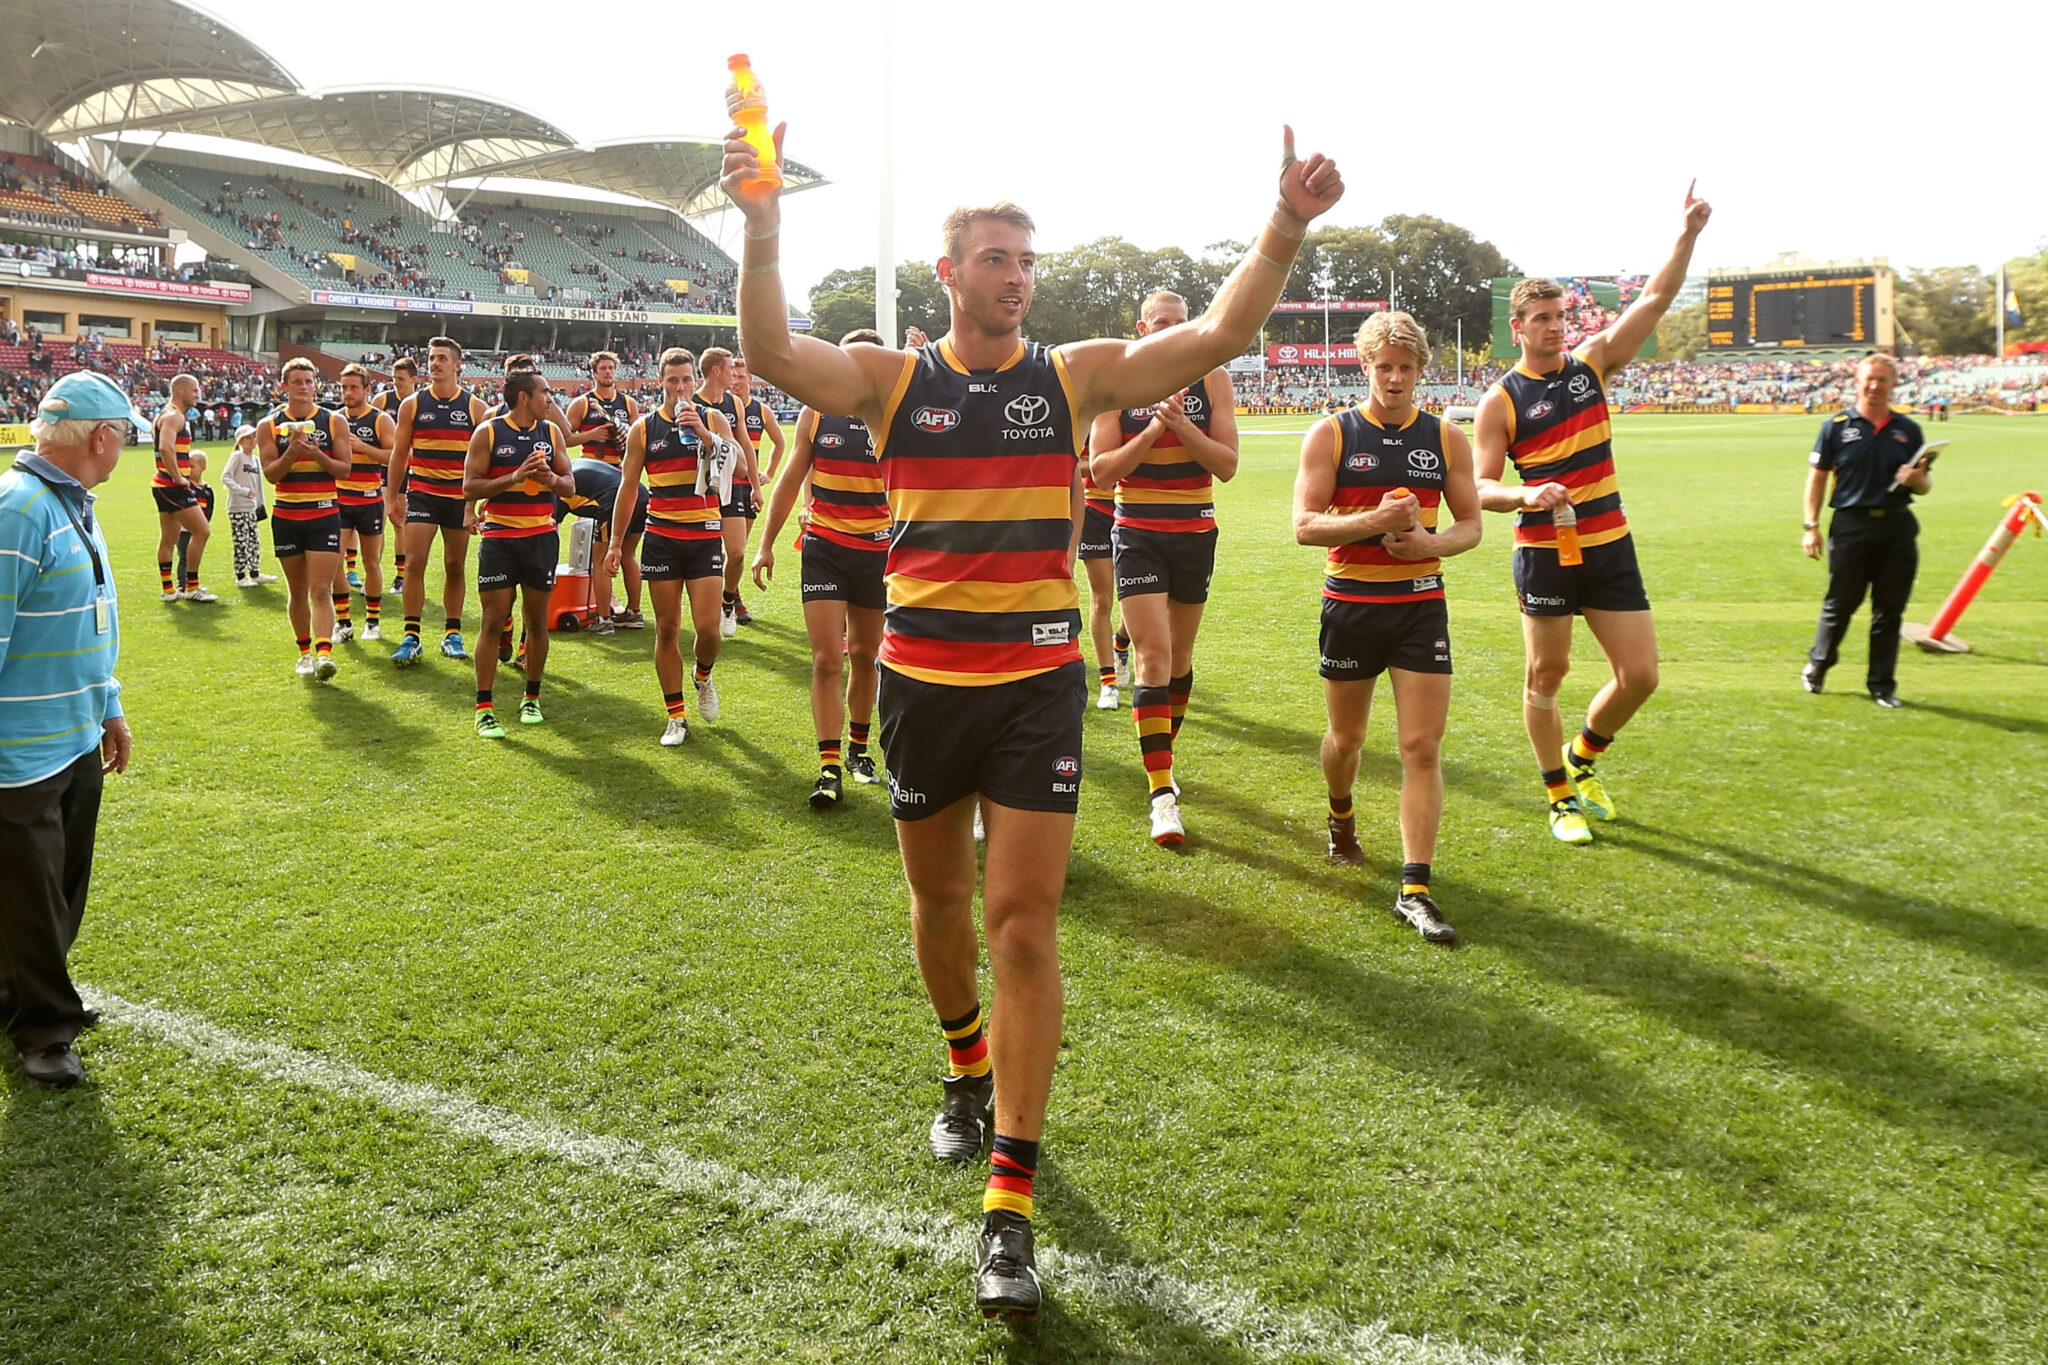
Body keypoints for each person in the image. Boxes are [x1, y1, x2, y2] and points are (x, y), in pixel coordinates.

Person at [723, 120, 1343, 1318]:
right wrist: (761, 227)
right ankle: (962, 1059)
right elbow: (766, 351)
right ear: (949, 273)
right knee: (938, 906)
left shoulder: (1073, 377)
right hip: (919, 684)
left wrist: (1283, 224)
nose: (1016, 277)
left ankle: (1006, 1209)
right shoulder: (891, 383)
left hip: (1035, 687)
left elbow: (1216, 337)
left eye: (1026, 260)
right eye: (996, 258)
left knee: (1020, 927)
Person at [1473, 183, 1711, 846]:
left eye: (1560, 315)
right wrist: (1526, 495)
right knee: (1546, 676)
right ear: (1518, 328)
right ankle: (1559, 796)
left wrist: (1687, 234)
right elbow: (1479, 487)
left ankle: (1581, 757)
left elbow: (1654, 299)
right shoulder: (1500, 401)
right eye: (1541, 318)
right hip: (1544, 553)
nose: (1555, 326)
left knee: (1641, 676)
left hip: (1610, 545)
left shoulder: (1593, 365)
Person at [1291, 312, 1483, 944]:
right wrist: (1372, 521)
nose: (1395, 378)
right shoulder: (1332, 433)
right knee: (1347, 739)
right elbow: (1305, 525)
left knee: (1421, 747)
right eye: (1384, 367)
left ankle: (1415, 888)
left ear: (1421, 369)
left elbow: (1471, 525)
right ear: (1365, 366)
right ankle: (1340, 814)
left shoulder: (1446, 438)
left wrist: (1432, 542)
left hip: (1420, 606)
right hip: (1350, 604)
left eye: (1405, 367)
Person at [0, 372, 133, 1087]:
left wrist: (108, 705)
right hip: (19, 751)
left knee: (58, 889)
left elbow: (92, 616)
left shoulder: (70, 501)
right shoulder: (18, 509)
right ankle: (46, 1028)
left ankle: (17, 993)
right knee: (32, 898)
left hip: (75, 732)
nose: (126, 443)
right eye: (125, 431)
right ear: (102, 436)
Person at [1087, 289, 1240, 846]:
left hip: (1195, 532)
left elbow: (1227, 465)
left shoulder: (1213, 378)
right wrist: (1153, 430)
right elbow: (1101, 471)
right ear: (1143, 328)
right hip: (1138, 533)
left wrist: (1183, 426)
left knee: (1179, 658)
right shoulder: (1117, 384)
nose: (1172, 330)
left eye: (1181, 322)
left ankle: (1161, 761)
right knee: (1153, 656)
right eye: (1162, 323)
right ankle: (1162, 797)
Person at [750, 328, 889, 809]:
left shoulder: (892, 412)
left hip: (878, 551)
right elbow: (790, 479)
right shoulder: (816, 412)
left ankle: (858, 749)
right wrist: (765, 545)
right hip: (825, 546)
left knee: (866, 656)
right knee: (827, 659)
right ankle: (829, 767)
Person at [605, 348, 730, 746]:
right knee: (667, 628)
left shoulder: (713, 418)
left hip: (704, 535)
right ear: (660, 381)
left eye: (687, 380)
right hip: (662, 538)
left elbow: (740, 467)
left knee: (709, 630)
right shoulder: (644, 428)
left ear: (696, 381)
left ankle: (703, 675)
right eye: (673, 380)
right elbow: (628, 488)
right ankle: (676, 716)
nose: (680, 388)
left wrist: (705, 435)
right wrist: (615, 543)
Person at [1800, 353, 1932, 706]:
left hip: (1897, 527)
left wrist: (1918, 480)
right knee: (1840, 603)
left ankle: (1882, 686)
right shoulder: (1836, 426)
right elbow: (1816, 479)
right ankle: (1818, 665)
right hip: (1851, 525)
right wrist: (1811, 526)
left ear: (1893, 384)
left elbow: (1924, 485)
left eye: (1882, 380)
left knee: (1889, 611)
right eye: (1869, 379)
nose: (1874, 386)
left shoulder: (1908, 430)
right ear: (1857, 382)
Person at [463, 370, 574, 737]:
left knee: (537, 622)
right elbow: (470, 487)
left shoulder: (552, 433)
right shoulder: (489, 432)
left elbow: (569, 485)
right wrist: (514, 476)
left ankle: (532, 698)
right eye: (545, 392)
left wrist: (550, 480)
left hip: (541, 537)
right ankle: (484, 709)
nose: (550, 399)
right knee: (493, 621)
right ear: (524, 397)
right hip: (499, 538)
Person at [385, 336, 485, 665]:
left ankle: (452, 634)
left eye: (442, 358)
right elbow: (399, 454)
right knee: (414, 563)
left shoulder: (474, 407)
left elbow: (485, 459)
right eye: (431, 357)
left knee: (455, 566)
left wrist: (479, 502)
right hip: (423, 495)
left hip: (458, 498)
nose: (435, 363)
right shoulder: (412, 404)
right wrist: (391, 496)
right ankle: (411, 636)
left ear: (457, 365)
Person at [256, 357, 351, 680]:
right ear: (284, 386)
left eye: (309, 381)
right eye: (297, 381)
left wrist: (316, 454)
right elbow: (271, 474)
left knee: (321, 588)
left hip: (324, 513)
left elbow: (344, 469)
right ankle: (304, 653)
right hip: (287, 515)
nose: (304, 387)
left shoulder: (333, 421)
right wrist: (293, 452)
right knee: (297, 589)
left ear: (316, 385)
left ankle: (324, 653)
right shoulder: (269, 425)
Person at [564, 350, 644, 629]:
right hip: (589, 484)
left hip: (619, 481)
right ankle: (608, 603)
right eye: (603, 368)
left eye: (611, 368)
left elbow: (638, 439)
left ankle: (609, 614)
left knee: (615, 552)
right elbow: (564, 437)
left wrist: (623, 437)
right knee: (594, 550)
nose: (608, 372)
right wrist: (591, 435)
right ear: (594, 372)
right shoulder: (582, 404)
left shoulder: (628, 403)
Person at [695, 347, 759, 637]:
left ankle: (728, 601)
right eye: (731, 368)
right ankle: (707, 614)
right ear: (716, 370)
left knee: (737, 552)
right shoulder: (692, 402)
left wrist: (755, 486)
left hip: (732, 488)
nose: (735, 374)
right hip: (701, 490)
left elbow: (745, 445)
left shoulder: (734, 403)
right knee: (706, 555)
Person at [335, 363, 395, 643]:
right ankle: (343, 622)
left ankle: (372, 622)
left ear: (367, 389)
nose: (348, 392)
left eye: (354, 387)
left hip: (370, 499)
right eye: (344, 387)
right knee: (334, 563)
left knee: (371, 562)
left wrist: (363, 447)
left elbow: (394, 457)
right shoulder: (334, 419)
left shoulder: (380, 419)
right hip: (338, 500)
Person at [150, 372, 217, 603]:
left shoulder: (165, 414)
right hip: (172, 486)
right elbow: (165, 447)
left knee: (169, 538)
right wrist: (178, 476)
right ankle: (191, 587)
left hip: (161, 484)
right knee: (202, 531)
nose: (198, 394)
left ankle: (169, 590)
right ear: (180, 390)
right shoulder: (174, 416)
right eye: (194, 390)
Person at [732, 355, 785, 626]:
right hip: (720, 486)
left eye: (741, 376)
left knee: (738, 549)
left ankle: (730, 595)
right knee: (719, 547)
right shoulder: (718, 407)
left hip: (747, 487)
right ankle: (727, 598)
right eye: (732, 376)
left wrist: (769, 473)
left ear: (750, 379)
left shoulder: (760, 410)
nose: (736, 381)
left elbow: (779, 442)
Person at [371, 356, 420, 596]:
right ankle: (374, 574)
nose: (396, 383)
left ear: (413, 379)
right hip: (384, 467)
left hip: (409, 469)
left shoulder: (419, 403)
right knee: (378, 522)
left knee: (400, 523)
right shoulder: (382, 400)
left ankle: (401, 576)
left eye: (401, 379)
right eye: (393, 378)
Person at [1076, 455, 1121, 709]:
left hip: (1137, 509)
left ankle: (1121, 643)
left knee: (1143, 594)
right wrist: (1106, 465)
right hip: (1096, 510)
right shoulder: (1084, 426)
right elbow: (1072, 464)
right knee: (1102, 600)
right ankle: (1108, 683)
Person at [220, 423, 274, 586]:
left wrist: (260, 503)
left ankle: (255, 573)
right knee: (241, 541)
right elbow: (226, 477)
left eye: (253, 436)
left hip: (251, 507)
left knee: (254, 541)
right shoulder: (237, 456)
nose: (251, 440)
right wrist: (243, 491)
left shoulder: (255, 460)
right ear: (240, 441)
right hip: (238, 507)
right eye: (247, 438)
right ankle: (241, 576)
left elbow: (258, 484)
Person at [173, 450, 215, 593]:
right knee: (184, 556)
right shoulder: (185, 487)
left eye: (192, 467)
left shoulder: (207, 489)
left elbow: (209, 508)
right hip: (184, 529)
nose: (189, 470)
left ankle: (192, 582)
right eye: (187, 466)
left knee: (194, 557)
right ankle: (183, 584)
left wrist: (205, 524)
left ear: (203, 467)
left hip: (198, 530)